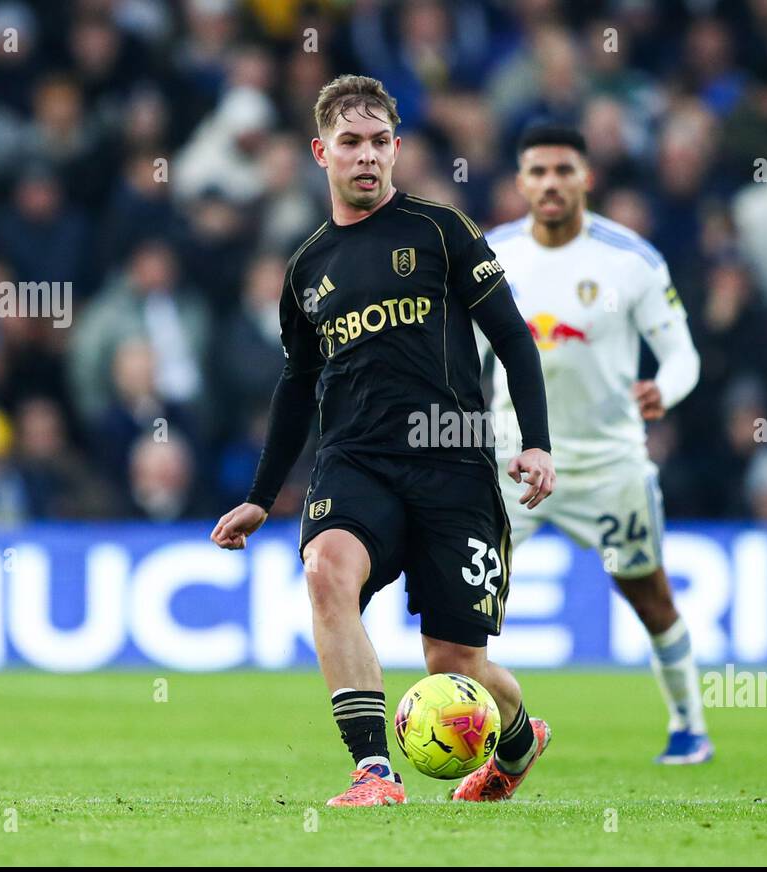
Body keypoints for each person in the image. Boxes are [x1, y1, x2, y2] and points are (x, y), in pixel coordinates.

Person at [211, 76, 556, 806]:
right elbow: (297, 385)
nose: (366, 157)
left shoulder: (443, 230)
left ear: (396, 150)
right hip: (356, 462)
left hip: (454, 463)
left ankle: (519, 741)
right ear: (321, 153)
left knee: (453, 660)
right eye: (350, 144)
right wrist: (259, 497)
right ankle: (373, 771)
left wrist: (536, 443)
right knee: (324, 571)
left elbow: (515, 342)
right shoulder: (306, 268)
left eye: (378, 143)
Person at [483, 124, 713, 764]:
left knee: (649, 594)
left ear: (587, 177)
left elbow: (681, 354)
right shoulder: (491, 255)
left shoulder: (629, 259)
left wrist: (666, 389)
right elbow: (461, 354)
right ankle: (480, 729)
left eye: (563, 170)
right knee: (465, 600)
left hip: (609, 461)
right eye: (537, 172)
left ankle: (689, 726)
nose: (550, 183)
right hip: (514, 460)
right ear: (521, 182)